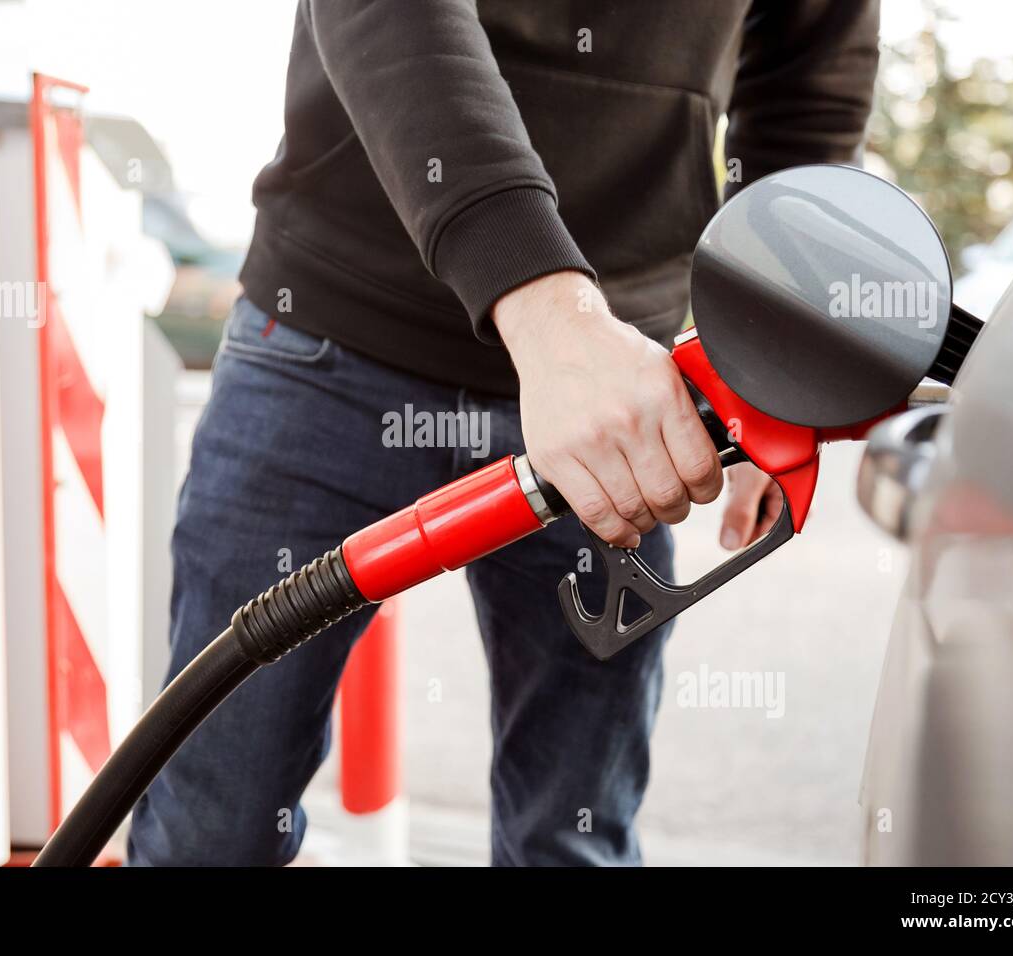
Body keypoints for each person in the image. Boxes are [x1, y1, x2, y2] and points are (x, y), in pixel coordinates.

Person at [129, 0, 880, 866]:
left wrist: (767, 362)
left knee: (571, 837)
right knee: (211, 830)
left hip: (620, 390)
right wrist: (549, 315)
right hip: (333, 334)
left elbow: (806, 98)